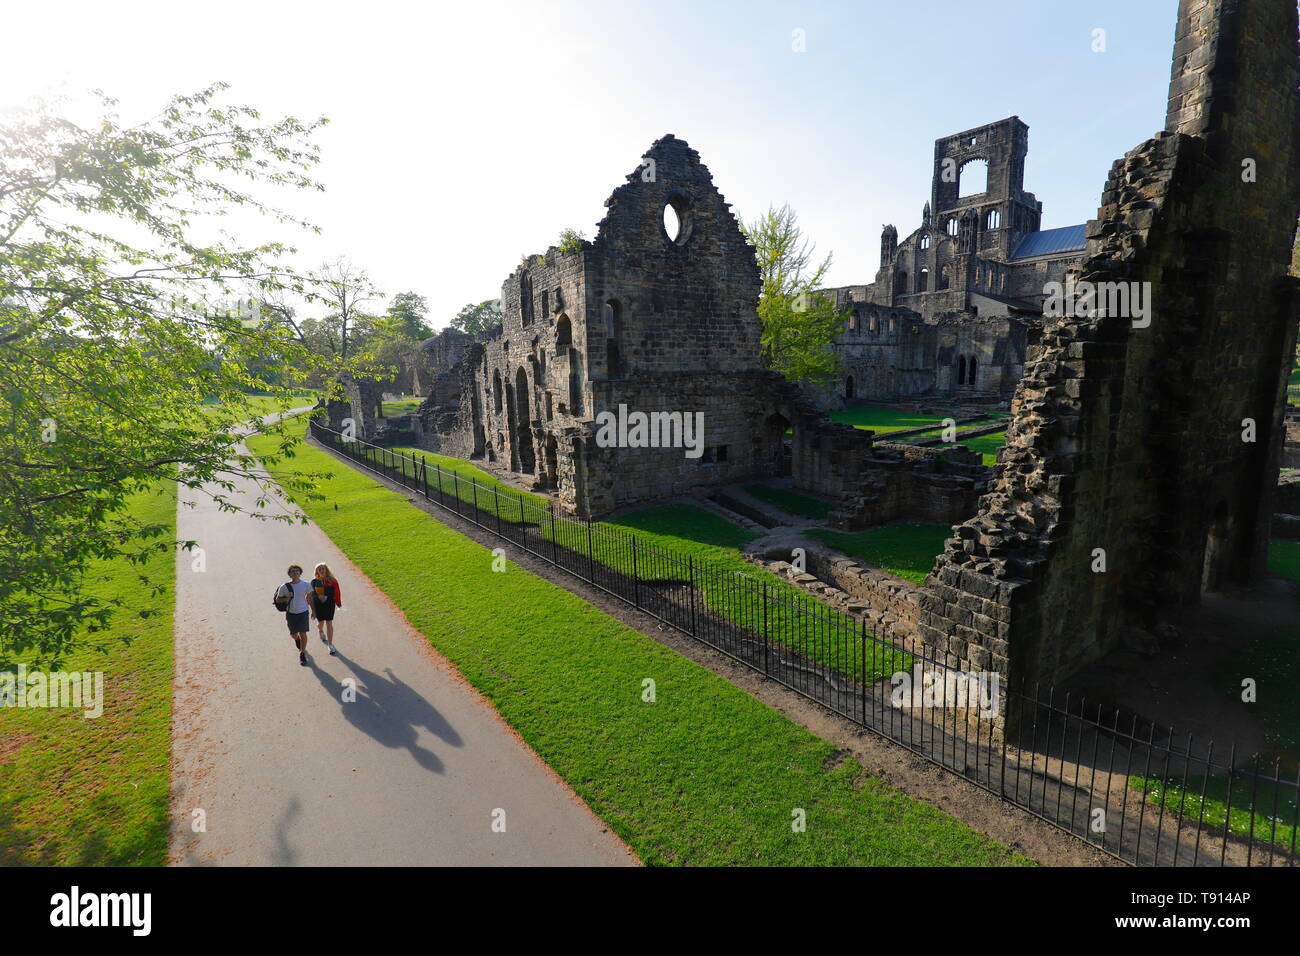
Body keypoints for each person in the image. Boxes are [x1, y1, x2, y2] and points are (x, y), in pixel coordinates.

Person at [275, 564, 315, 667]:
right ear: (289, 574)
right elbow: (278, 600)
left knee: (303, 632)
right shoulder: (284, 587)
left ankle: (302, 653)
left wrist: (314, 611)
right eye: (293, 571)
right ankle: (297, 640)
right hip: (291, 613)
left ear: (300, 572)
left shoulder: (306, 584)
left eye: (297, 571)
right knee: (293, 634)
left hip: (303, 612)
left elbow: (310, 598)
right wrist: (286, 598)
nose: (295, 572)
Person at [310, 562, 343, 656]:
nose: (321, 570)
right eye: (319, 569)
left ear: (326, 570)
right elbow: (311, 594)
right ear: (317, 571)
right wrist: (318, 596)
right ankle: (320, 630)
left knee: (329, 622)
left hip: (329, 604)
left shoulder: (333, 581)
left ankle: (330, 644)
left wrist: (338, 603)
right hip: (318, 604)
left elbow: (337, 592)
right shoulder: (314, 582)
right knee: (320, 623)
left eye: (323, 568)